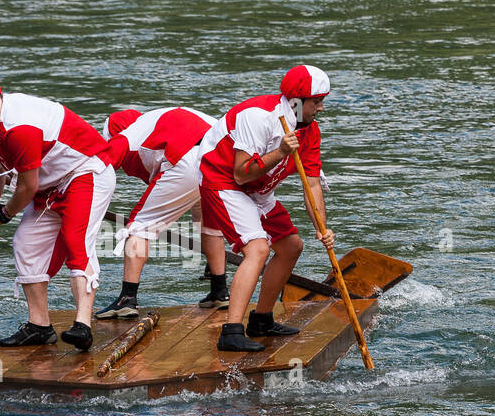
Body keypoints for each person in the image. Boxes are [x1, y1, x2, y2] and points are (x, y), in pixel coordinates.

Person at [0, 67, 115, 351]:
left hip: (85, 171)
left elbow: (27, 186)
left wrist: (3, 215)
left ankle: (83, 326)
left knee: (76, 241)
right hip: (48, 185)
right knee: (24, 242)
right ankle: (40, 326)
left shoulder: (20, 126)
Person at [199, 64, 336, 352]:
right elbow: (240, 173)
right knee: (258, 248)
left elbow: (311, 185)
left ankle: (261, 319)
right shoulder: (257, 116)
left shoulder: (310, 131)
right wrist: (282, 151)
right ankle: (231, 332)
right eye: (317, 101)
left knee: (291, 246)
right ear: (297, 102)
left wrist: (322, 229)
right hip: (223, 181)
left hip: (257, 189)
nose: (321, 108)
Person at [95, 106, 228, 318]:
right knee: (208, 223)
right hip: (221, 158)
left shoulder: (128, 139)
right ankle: (219, 290)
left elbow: (106, 165)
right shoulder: (154, 120)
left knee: (140, 227)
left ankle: (127, 299)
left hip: (187, 158)